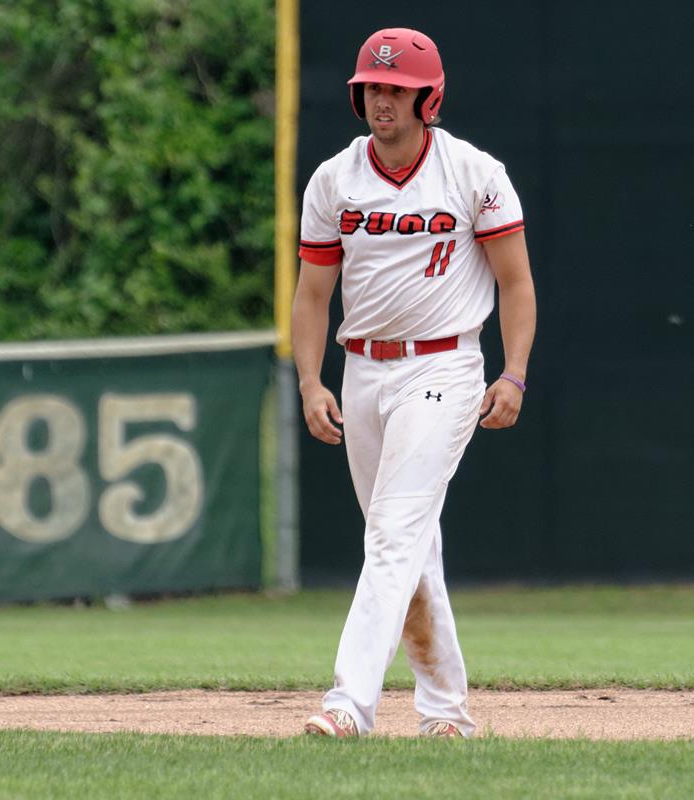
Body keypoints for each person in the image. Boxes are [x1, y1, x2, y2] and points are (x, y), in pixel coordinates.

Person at [292, 26, 536, 739]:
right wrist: (311, 381)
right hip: (362, 368)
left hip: (444, 365)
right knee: (409, 545)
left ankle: (349, 704)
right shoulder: (335, 179)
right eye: (372, 85)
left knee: (394, 534)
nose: (381, 99)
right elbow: (312, 294)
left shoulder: (472, 173)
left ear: (429, 96)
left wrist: (513, 372)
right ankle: (446, 714)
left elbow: (516, 283)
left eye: (396, 88)